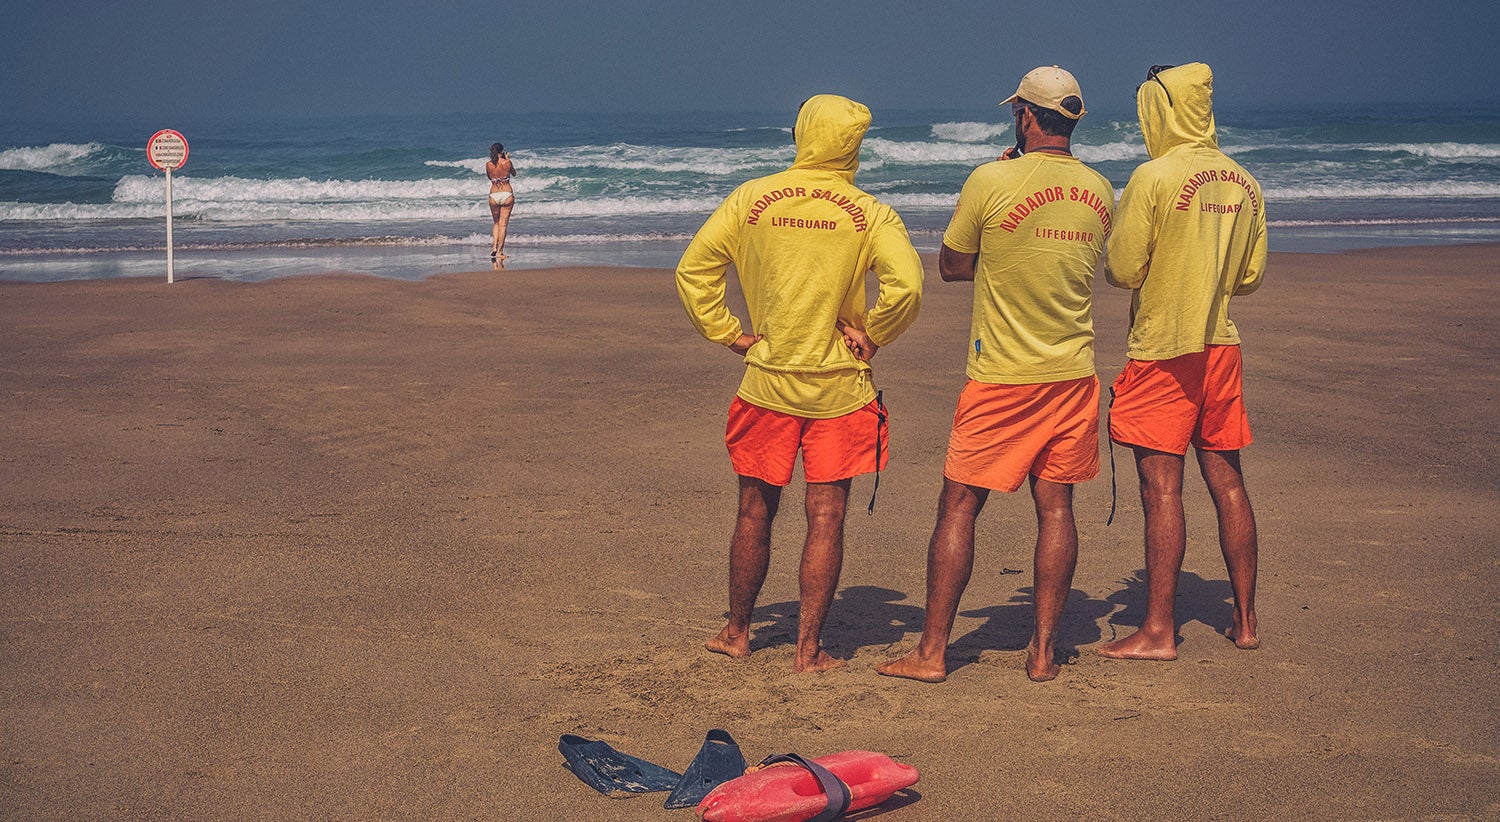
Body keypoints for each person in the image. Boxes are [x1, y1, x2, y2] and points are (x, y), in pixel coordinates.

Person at [876, 66, 1115, 684]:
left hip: (1003, 374)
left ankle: (932, 653)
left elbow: (953, 267)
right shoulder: (1099, 188)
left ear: (1026, 117)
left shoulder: (991, 178)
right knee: (1055, 506)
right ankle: (1042, 652)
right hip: (1072, 373)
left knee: (959, 503)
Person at [676, 94, 924, 674]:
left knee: (753, 511)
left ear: (802, 135)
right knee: (826, 516)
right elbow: (907, 287)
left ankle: (738, 632)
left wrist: (733, 336)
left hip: (767, 381)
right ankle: (808, 649)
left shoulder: (751, 198)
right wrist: (876, 334)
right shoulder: (869, 211)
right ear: (853, 146)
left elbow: (694, 271)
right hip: (840, 387)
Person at [1096, 63, 1267, 661]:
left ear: (1161, 110)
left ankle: (1159, 631)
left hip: (1164, 348)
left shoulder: (1155, 176)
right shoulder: (1243, 180)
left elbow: (1121, 269)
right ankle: (1245, 620)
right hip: (1221, 342)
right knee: (1228, 481)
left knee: (1161, 489)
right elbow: (1249, 276)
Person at [485, 143, 515, 261]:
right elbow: (514, 173)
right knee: (503, 225)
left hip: (494, 194)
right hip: (507, 193)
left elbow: (489, 177)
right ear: (502, 151)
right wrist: (507, 159)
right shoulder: (507, 163)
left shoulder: (488, 164)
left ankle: (493, 247)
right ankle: (500, 251)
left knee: (496, 223)